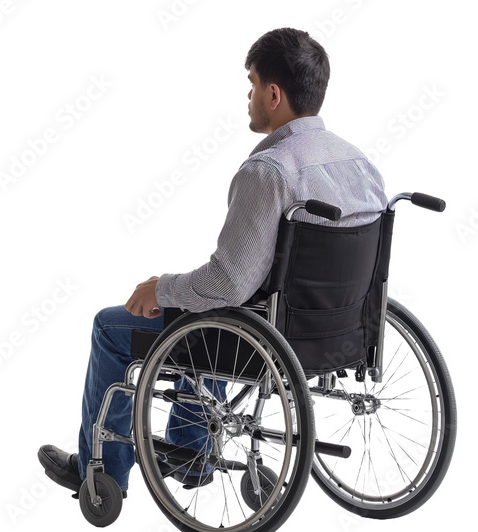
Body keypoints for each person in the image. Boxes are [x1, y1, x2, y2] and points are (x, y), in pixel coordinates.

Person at [38, 27, 388, 497]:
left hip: (258, 338)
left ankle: (100, 472)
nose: (247, 95)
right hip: (335, 334)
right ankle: (192, 451)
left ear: (274, 92)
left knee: (117, 326)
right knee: (204, 310)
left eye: (251, 83)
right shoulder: (360, 166)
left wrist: (161, 287)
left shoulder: (269, 172)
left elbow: (228, 284)